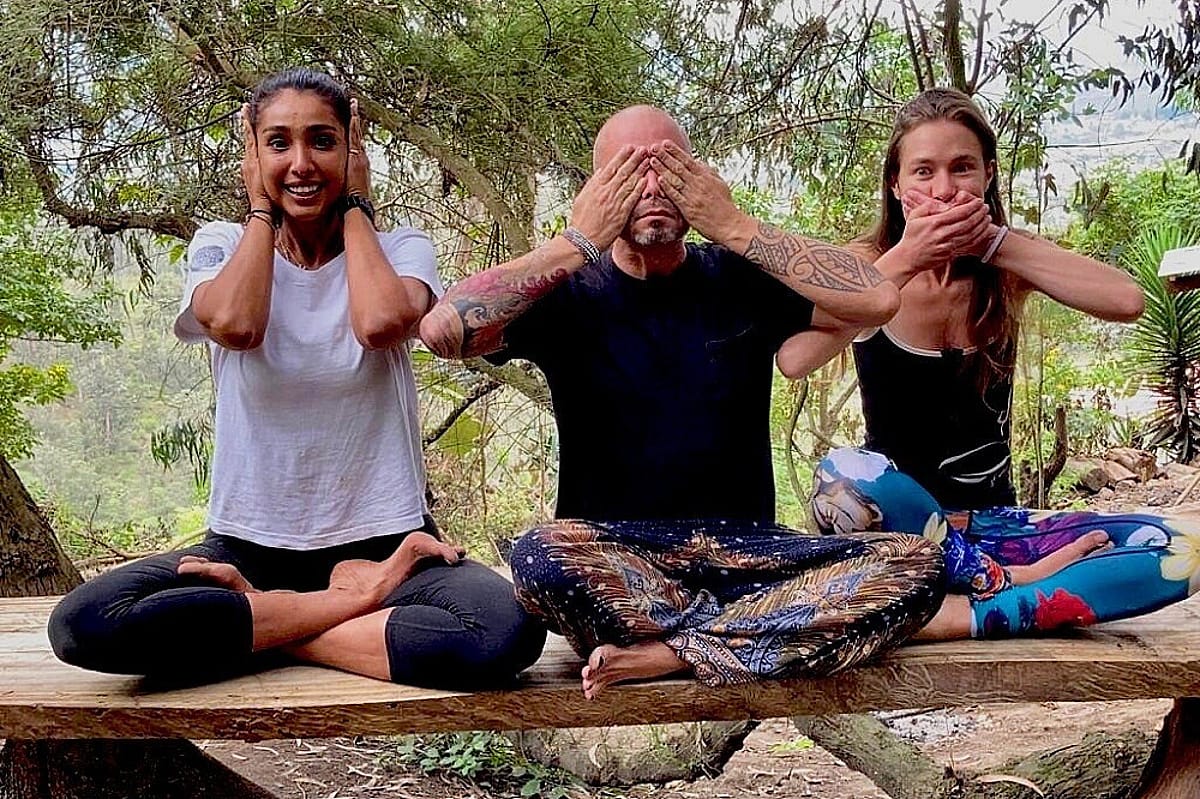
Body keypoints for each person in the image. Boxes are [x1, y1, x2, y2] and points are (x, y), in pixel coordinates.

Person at [421, 105, 947, 698]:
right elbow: (446, 329)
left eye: (669, 168)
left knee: (916, 564)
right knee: (538, 555)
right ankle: (737, 643)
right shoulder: (567, 294)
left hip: (749, 558)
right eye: (628, 172)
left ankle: (678, 651)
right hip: (620, 564)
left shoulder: (738, 276)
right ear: (596, 190)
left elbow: (877, 297)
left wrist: (734, 225)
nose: (651, 188)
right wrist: (575, 241)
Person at [48, 69, 545, 688]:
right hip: (247, 549)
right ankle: (338, 610)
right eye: (278, 143)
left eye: (323, 141)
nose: (302, 162)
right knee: (85, 624)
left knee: (505, 632)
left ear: (352, 152)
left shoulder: (401, 249)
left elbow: (382, 323)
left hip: (388, 540)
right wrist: (260, 209)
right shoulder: (223, 243)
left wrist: (358, 207)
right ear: (251, 156)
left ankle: (268, 626)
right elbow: (235, 323)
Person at [801, 88, 1199, 639]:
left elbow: (1126, 300)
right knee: (842, 471)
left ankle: (973, 609)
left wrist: (992, 242)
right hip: (902, 535)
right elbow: (795, 357)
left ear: (987, 175)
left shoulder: (1005, 264)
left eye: (962, 168)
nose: (944, 190)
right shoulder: (869, 266)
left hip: (999, 525)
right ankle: (1013, 590)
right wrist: (908, 258)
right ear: (896, 185)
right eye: (923, 172)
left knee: (1182, 551)